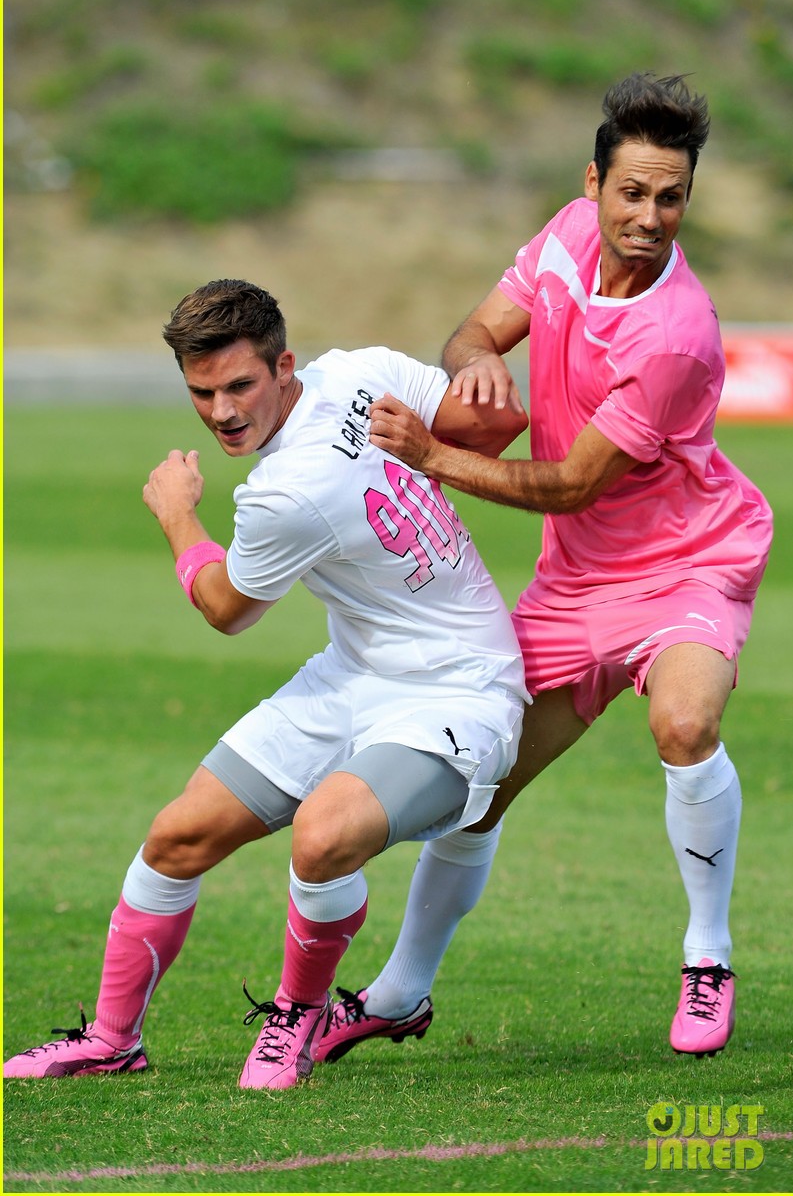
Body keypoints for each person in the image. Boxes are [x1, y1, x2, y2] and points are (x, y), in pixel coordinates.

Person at [312, 72, 773, 1065]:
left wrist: (432, 456)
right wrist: (476, 359)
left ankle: (706, 955)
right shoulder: (563, 235)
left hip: (688, 560)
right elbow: (473, 329)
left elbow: (568, 483)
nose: (649, 216)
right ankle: (398, 992)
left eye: (670, 198)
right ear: (592, 184)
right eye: (631, 192)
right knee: (476, 782)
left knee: (683, 720)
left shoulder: (674, 334)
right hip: (574, 581)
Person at [3, 278, 531, 1090]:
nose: (220, 412)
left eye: (239, 386)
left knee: (322, 836)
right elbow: (495, 425)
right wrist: (473, 392)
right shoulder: (361, 370)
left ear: (284, 366)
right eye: (201, 392)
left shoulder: (285, 490)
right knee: (176, 840)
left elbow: (225, 610)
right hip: (354, 674)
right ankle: (112, 1040)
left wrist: (178, 513)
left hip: (459, 689)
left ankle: (295, 1018)